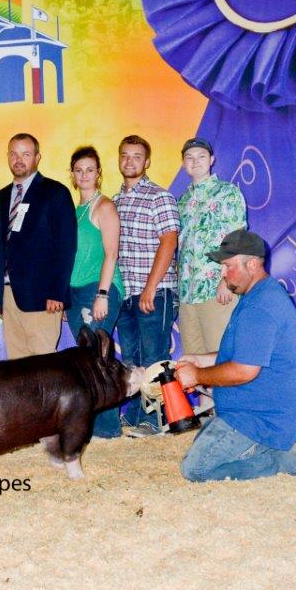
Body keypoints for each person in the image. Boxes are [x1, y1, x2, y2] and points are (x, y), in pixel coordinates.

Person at [175, 229, 296, 481]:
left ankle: (284, 463)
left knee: (195, 470)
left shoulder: (261, 305)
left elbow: (244, 370)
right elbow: (249, 354)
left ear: (252, 264)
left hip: (261, 416)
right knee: (201, 448)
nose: (222, 273)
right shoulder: (258, 295)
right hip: (256, 409)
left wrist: (197, 375)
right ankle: (280, 447)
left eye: (228, 266)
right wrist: (201, 359)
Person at [0, 132, 77, 358]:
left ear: (37, 157)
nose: (19, 160)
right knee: (17, 367)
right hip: (7, 297)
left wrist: (58, 292)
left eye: (26, 154)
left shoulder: (55, 193)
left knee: (43, 365)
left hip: (43, 296)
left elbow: (66, 247)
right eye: (14, 154)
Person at [113, 135, 180, 434]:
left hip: (155, 292)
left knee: (154, 359)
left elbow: (169, 241)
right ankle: (138, 416)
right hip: (126, 294)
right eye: (125, 155)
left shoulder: (159, 196)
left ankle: (155, 421)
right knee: (132, 360)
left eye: (136, 156)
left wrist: (150, 288)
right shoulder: (113, 202)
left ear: (147, 161)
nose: (130, 161)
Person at [65, 146, 125, 438]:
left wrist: (102, 294)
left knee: (99, 357)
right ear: (73, 175)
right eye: (79, 170)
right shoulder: (74, 211)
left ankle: (109, 427)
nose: (85, 175)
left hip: (99, 288)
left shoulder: (105, 207)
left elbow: (111, 254)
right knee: (86, 359)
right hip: (76, 293)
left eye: (90, 169)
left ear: (99, 173)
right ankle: (93, 425)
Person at [177, 138, 247, 360]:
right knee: (195, 364)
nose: (195, 161)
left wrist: (227, 281)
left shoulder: (227, 193)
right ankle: (205, 398)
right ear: (183, 164)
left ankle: (224, 398)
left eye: (201, 156)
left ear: (211, 160)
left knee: (222, 359)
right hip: (188, 294)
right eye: (189, 157)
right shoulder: (182, 201)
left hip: (216, 291)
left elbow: (238, 238)